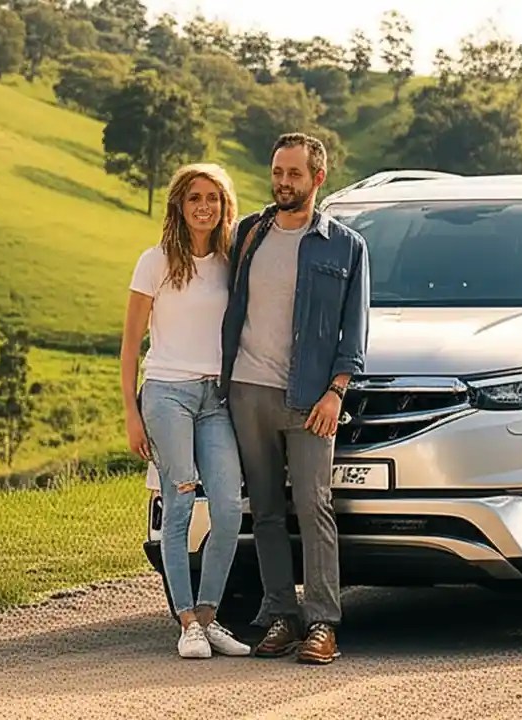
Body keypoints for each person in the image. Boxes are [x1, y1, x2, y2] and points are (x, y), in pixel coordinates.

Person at [219, 133, 370, 665]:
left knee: (313, 506)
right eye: (277, 171)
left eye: (294, 174)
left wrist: (336, 391)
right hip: (248, 390)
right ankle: (280, 614)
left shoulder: (345, 246)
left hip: (310, 398)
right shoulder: (248, 235)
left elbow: (354, 332)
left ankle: (323, 622)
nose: (283, 182)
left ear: (317, 179)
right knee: (263, 509)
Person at [121, 163, 252, 660]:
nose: (204, 206)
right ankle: (186, 623)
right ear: (179, 204)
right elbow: (131, 345)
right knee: (177, 509)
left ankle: (210, 616)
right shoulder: (153, 262)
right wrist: (132, 413)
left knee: (225, 509)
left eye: (213, 198)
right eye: (195, 197)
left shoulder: (227, 262)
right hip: (166, 396)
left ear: (224, 206)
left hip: (214, 399)